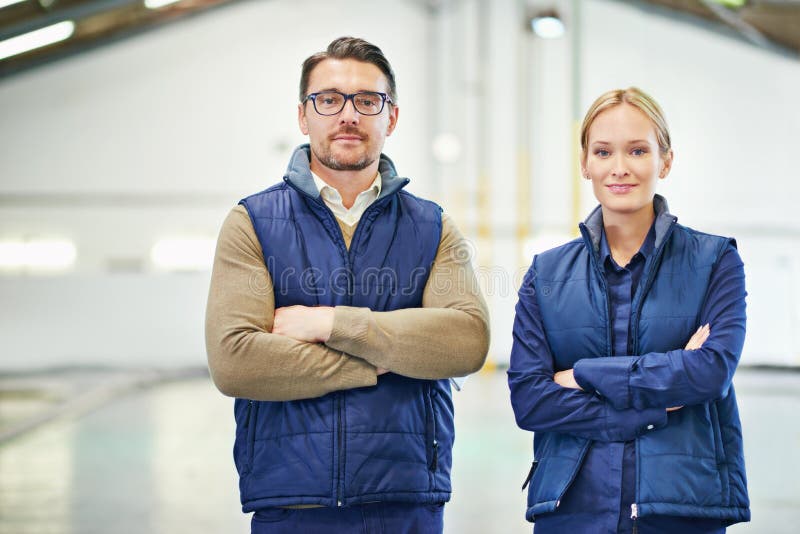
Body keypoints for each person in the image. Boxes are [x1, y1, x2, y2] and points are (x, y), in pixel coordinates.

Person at [205, 37, 489, 534]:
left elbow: (466, 341)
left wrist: (328, 323)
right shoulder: (252, 222)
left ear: (391, 118)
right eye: (329, 99)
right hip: (292, 498)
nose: (348, 115)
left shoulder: (433, 226)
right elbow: (236, 361)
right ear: (303, 116)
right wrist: (384, 359)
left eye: (367, 101)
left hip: (406, 495)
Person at [508, 87, 749, 533]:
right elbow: (530, 401)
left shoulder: (714, 261)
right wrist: (654, 402)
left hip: (681, 509)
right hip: (572, 509)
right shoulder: (547, 274)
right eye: (603, 151)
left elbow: (711, 372)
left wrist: (582, 375)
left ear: (666, 161)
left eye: (638, 150)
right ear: (586, 163)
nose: (619, 167)